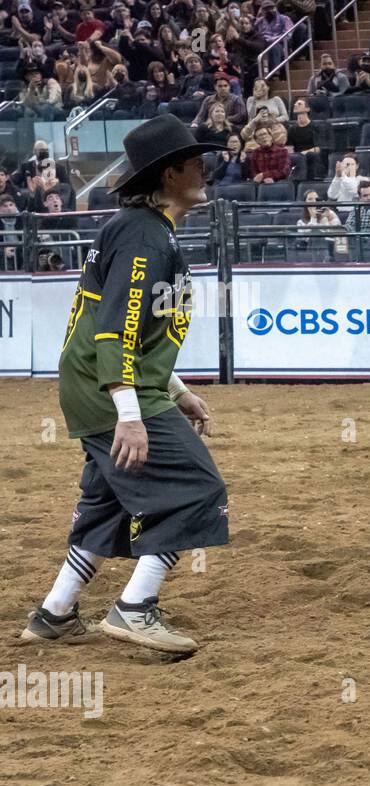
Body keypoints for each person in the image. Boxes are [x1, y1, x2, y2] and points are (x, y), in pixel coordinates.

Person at [20, 114, 227, 655]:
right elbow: (116, 328)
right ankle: (135, 607)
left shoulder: (142, 229)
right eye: (194, 162)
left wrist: (175, 388)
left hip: (101, 382)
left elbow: (132, 327)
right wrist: (131, 415)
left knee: (110, 501)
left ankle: (55, 613)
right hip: (110, 387)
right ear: (168, 176)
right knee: (197, 489)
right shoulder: (144, 235)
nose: (204, 168)